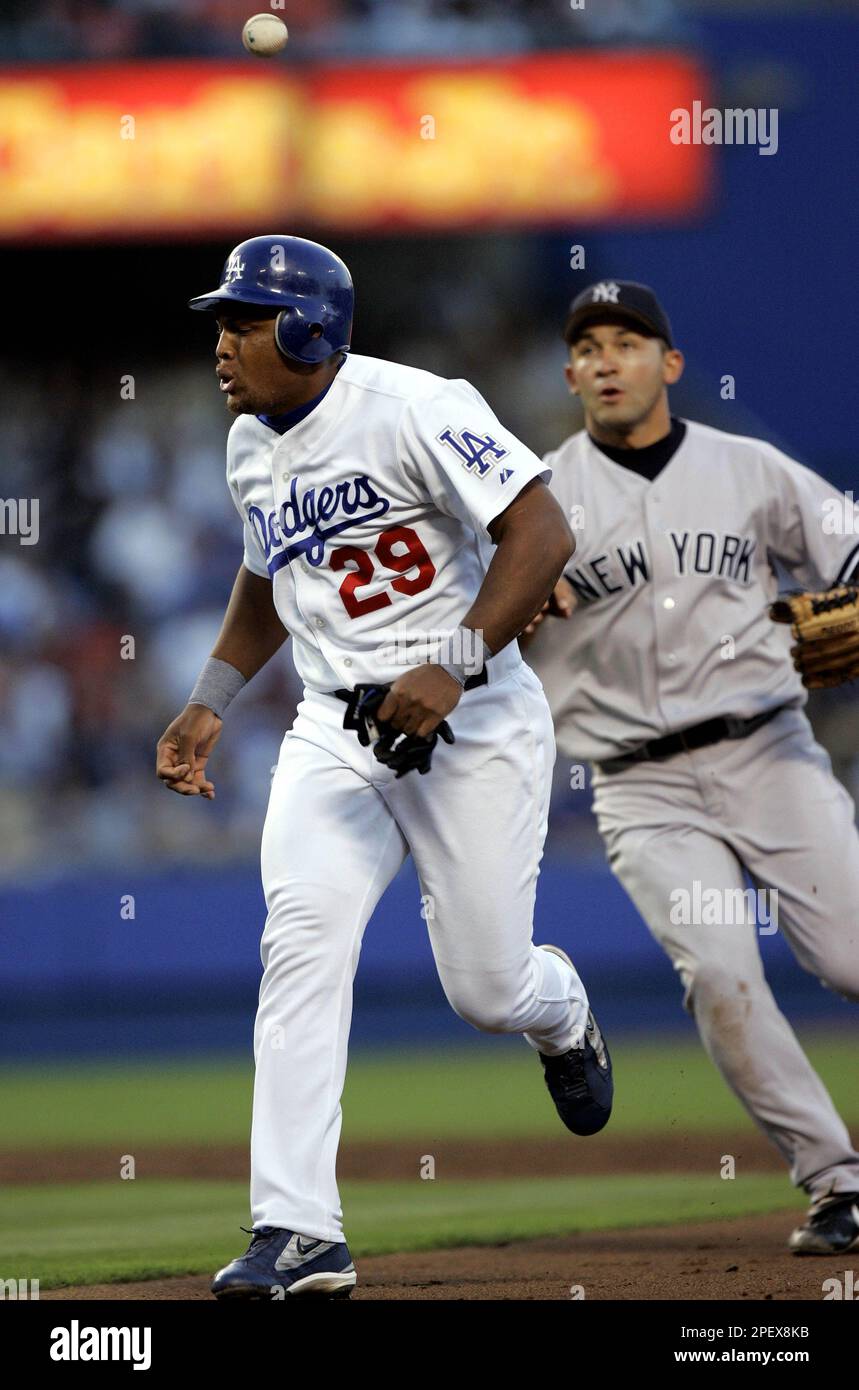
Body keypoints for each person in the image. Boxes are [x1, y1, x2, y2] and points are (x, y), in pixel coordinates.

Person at [155, 236, 613, 1300]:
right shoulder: (247, 445)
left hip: (476, 721)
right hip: (333, 731)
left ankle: (560, 1011)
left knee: (486, 987)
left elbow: (542, 530)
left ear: (311, 328)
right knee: (301, 946)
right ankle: (300, 1230)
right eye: (221, 320)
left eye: (244, 320)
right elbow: (268, 577)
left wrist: (453, 662)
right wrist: (207, 701)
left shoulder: (414, 404)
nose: (222, 343)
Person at [523, 279, 859, 1257]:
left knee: (849, 958)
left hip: (771, 752)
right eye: (587, 348)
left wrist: (832, 640)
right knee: (719, 974)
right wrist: (513, 614)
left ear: (668, 364)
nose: (605, 361)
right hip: (640, 785)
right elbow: (485, 624)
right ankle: (836, 1183)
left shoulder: (747, 467)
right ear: (569, 373)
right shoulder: (540, 499)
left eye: (626, 343)